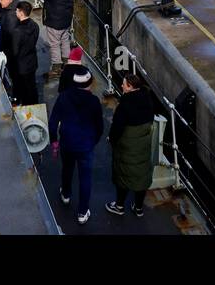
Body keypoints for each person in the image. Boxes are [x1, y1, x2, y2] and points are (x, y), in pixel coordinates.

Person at [48, 65, 103, 225]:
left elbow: (52, 123)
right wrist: (93, 141)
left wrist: (54, 141)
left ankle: (65, 194)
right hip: (85, 145)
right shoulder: (93, 101)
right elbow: (99, 127)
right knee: (85, 178)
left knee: (67, 169)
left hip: (67, 142)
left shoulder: (64, 97)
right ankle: (82, 211)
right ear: (89, 83)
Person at [106, 73, 156, 218]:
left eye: (124, 84)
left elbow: (117, 128)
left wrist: (112, 140)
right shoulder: (147, 98)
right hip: (143, 145)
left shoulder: (124, 105)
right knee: (141, 175)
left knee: (123, 175)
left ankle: (119, 206)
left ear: (130, 87)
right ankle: (138, 208)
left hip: (127, 146)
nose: (121, 86)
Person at [38, 0, 75, 77]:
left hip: (55, 21)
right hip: (66, 20)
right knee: (65, 41)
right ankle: (67, 63)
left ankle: (56, 68)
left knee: (54, 44)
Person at [8, 0, 41, 106]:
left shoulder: (17, 31)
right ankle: (35, 105)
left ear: (21, 12)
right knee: (32, 87)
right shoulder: (35, 25)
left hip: (21, 66)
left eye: (17, 10)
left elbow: (15, 51)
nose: (16, 12)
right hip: (32, 61)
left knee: (23, 89)